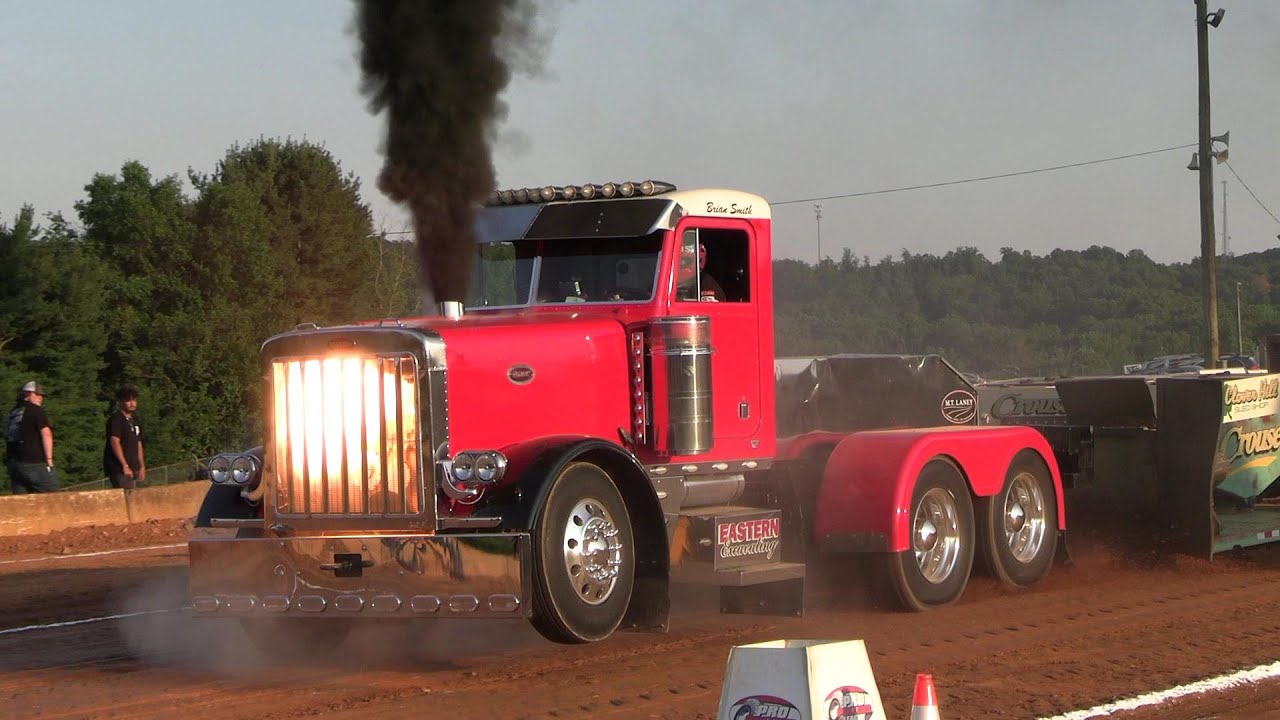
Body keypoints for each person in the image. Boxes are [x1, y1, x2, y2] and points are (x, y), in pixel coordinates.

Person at [13, 381, 58, 493]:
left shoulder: (13, 412)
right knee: (53, 498)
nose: (40, 397)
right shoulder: (36, 410)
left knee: (22, 502)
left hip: (14, 463)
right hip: (34, 461)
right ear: (27, 394)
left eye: (41, 395)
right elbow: (46, 434)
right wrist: (49, 460)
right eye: (37, 394)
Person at [104, 385, 146, 489]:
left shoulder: (135, 420)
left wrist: (142, 465)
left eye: (134, 400)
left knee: (136, 497)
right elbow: (114, 442)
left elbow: (138, 443)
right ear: (121, 402)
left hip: (134, 466)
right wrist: (124, 465)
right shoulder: (116, 419)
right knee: (127, 497)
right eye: (128, 401)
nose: (132, 403)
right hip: (119, 468)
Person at [4, 392, 24, 492]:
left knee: (17, 486)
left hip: (10, 451)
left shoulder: (10, 414)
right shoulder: (23, 414)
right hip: (20, 450)